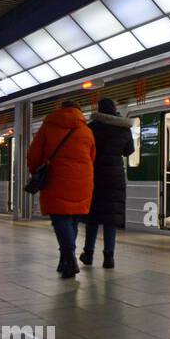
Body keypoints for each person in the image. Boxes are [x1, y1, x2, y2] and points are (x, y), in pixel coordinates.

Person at [27, 100, 96, 279]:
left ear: (61, 110)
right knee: (72, 220)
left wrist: (37, 170)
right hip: (83, 181)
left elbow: (33, 154)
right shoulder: (86, 131)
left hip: (56, 180)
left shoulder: (48, 127)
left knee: (60, 220)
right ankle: (65, 259)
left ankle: (70, 258)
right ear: (79, 111)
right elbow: (92, 156)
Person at [79, 98, 135, 269]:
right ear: (114, 109)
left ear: (99, 110)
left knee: (93, 218)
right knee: (111, 220)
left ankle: (88, 254)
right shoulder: (123, 128)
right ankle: (108, 258)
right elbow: (129, 151)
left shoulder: (92, 128)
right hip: (115, 177)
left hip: (95, 175)